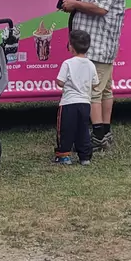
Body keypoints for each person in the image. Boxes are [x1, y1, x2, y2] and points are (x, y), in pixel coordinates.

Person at [61, 0, 126, 151]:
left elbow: (101, 8)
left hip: (99, 46)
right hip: (98, 45)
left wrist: (75, 5)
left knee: (94, 92)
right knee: (105, 90)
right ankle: (104, 131)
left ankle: (98, 136)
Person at [54, 29, 100, 166]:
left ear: (71, 47)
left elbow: (60, 82)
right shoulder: (91, 64)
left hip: (68, 103)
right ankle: (85, 157)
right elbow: (95, 84)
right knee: (83, 130)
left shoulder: (67, 63)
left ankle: (64, 156)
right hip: (85, 103)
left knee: (66, 130)